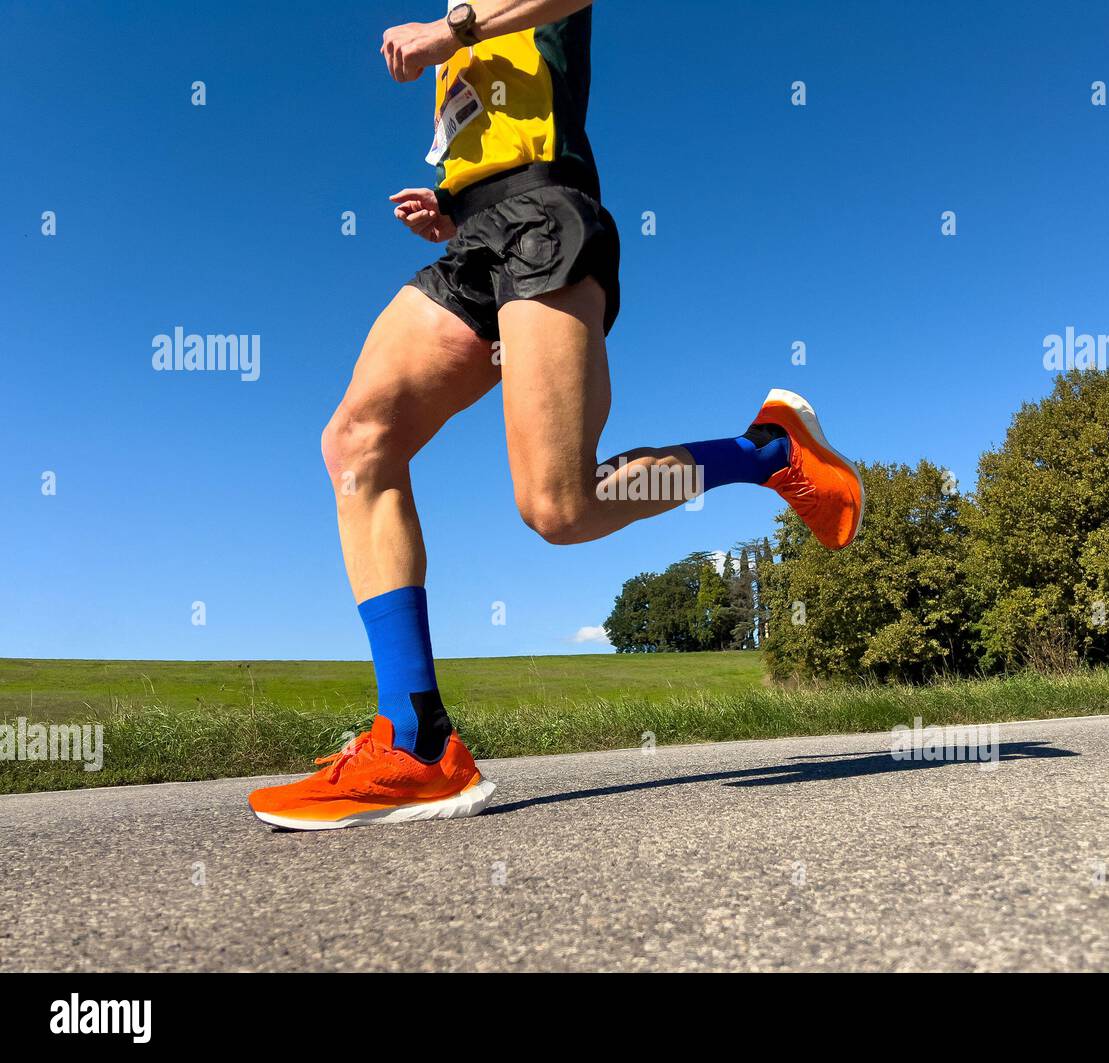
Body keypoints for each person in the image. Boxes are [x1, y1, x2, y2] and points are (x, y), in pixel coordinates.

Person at [247, 0, 863, 830]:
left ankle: (765, 450)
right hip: (475, 239)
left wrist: (452, 30)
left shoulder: (470, 17)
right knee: (356, 442)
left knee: (558, 507)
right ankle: (416, 739)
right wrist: (454, 205)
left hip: (547, 221)